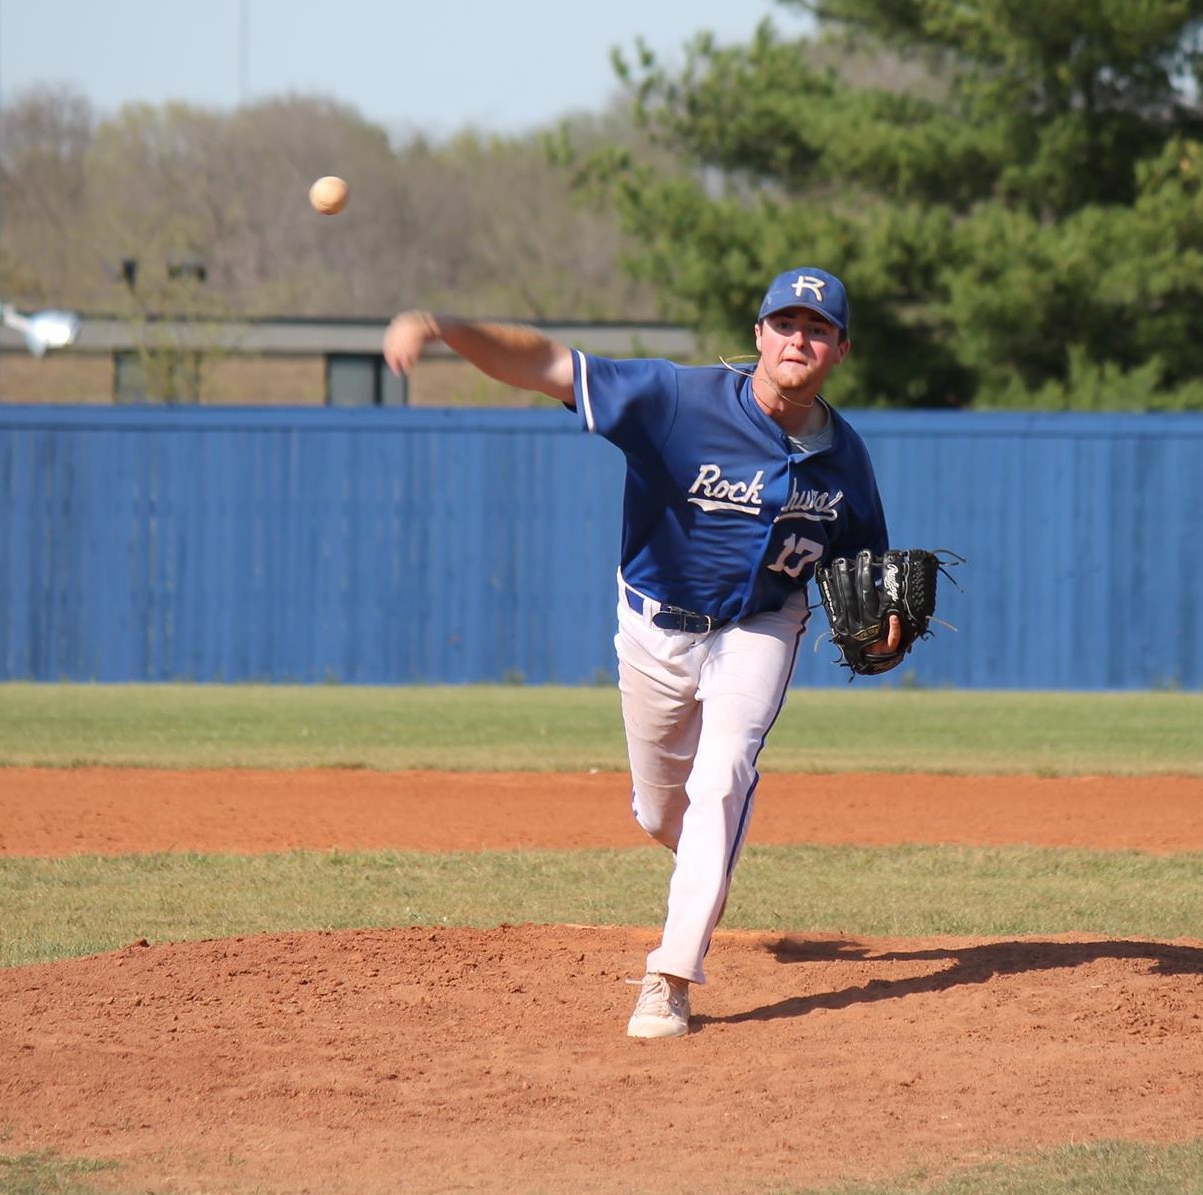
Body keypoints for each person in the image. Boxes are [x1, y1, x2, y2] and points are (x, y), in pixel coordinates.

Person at [382, 268, 899, 1039]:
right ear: (757, 334)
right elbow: (544, 364)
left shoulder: (845, 458)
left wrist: (882, 614)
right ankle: (703, 845)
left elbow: (866, 565)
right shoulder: (674, 401)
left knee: (723, 776)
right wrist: (443, 326)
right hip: (654, 628)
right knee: (665, 811)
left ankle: (669, 979)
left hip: (761, 625)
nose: (799, 339)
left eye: (817, 328)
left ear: (840, 349)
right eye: (784, 323)